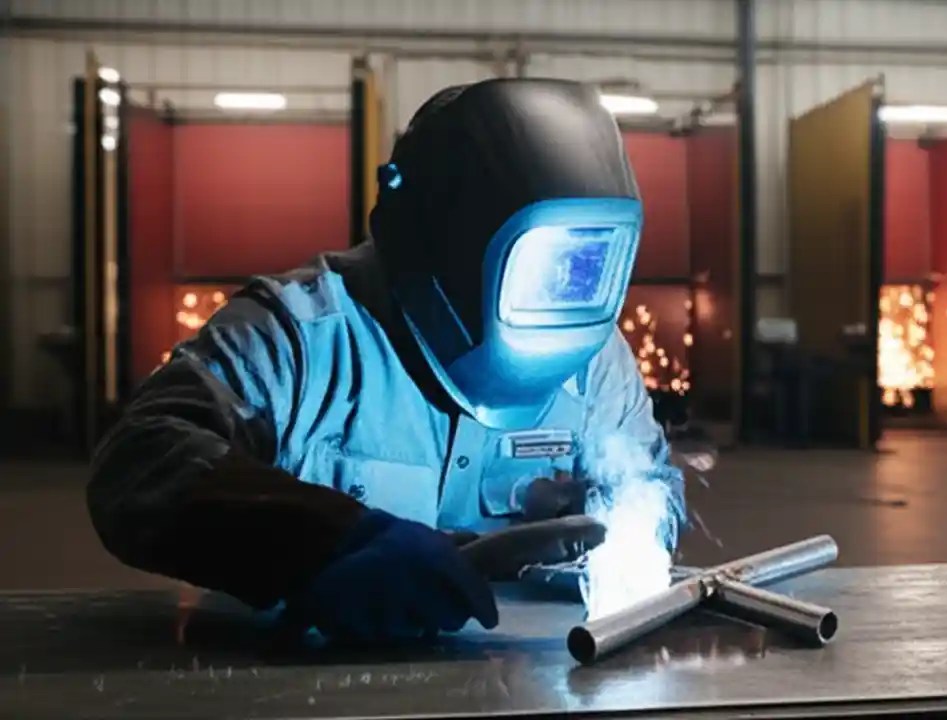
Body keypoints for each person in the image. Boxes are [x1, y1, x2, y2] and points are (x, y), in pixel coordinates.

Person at [87, 78, 683, 645]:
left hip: (528, 684)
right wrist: (327, 537)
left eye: (585, 266)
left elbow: (656, 490)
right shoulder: (298, 335)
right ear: (442, 237)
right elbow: (141, 457)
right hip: (305, 686)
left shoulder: (595, 358)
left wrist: (623, 523)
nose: (560, 289)